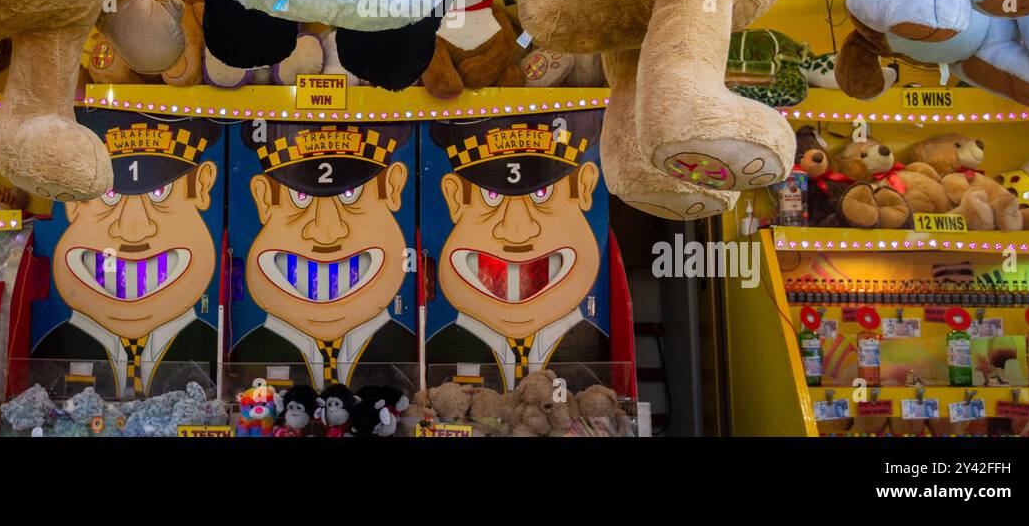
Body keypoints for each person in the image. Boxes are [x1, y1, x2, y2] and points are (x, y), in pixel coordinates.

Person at [34, 112, 222, 398]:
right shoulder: (52, 348)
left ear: (201, 185)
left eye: (159, 192)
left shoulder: (212, 346)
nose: (133, 229)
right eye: (109, 195)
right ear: (72, 202)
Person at [425, 112, 608, 391]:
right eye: (491, 196)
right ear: (455, 197)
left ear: (583, 186)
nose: (516, 230)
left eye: (541, 193)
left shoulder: (594, 345)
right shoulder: (437, 345)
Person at [230, 121, 416, 387]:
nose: (326, 233)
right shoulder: (248, 349)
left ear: (393, 187)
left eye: (350, 194)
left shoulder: (406, 345)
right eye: (300, 196)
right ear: (264, 198)